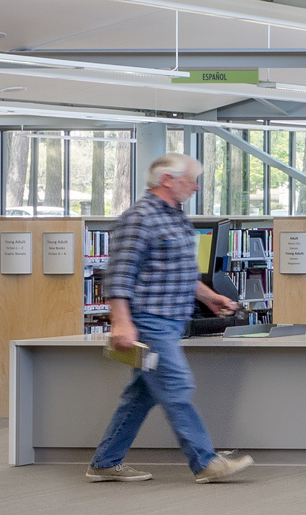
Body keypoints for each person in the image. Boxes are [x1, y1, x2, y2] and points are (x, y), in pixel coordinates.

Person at [86, 154, 254, 484]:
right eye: (191, 180)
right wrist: (121, 322)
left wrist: (210, 297)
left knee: (141, 395)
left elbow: (181, 273)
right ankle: (205, 462)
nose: (196, 187)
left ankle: (105, 461)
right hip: (150, 321)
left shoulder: (176, 218)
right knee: (177, 384)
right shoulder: (139, 218)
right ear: (167, 180)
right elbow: (118, 275)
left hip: (172, 321)